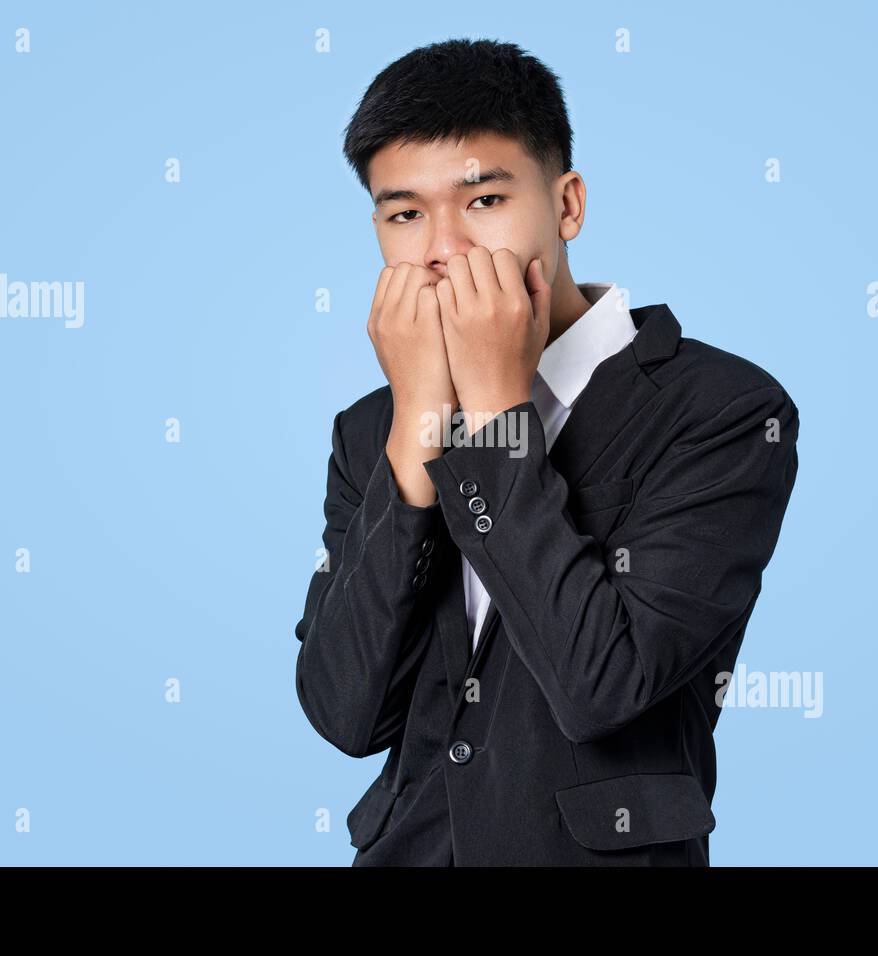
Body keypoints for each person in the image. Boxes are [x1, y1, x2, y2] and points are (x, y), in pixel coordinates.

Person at [294, 37, 800, 866]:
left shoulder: (724, 410)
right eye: (405, 214)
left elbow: (602, 690)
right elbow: (346, 715)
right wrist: (422, 422)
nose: (443, 248)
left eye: (484, 201)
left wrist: (496, 411)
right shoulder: (371, 428)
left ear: (567, 206)